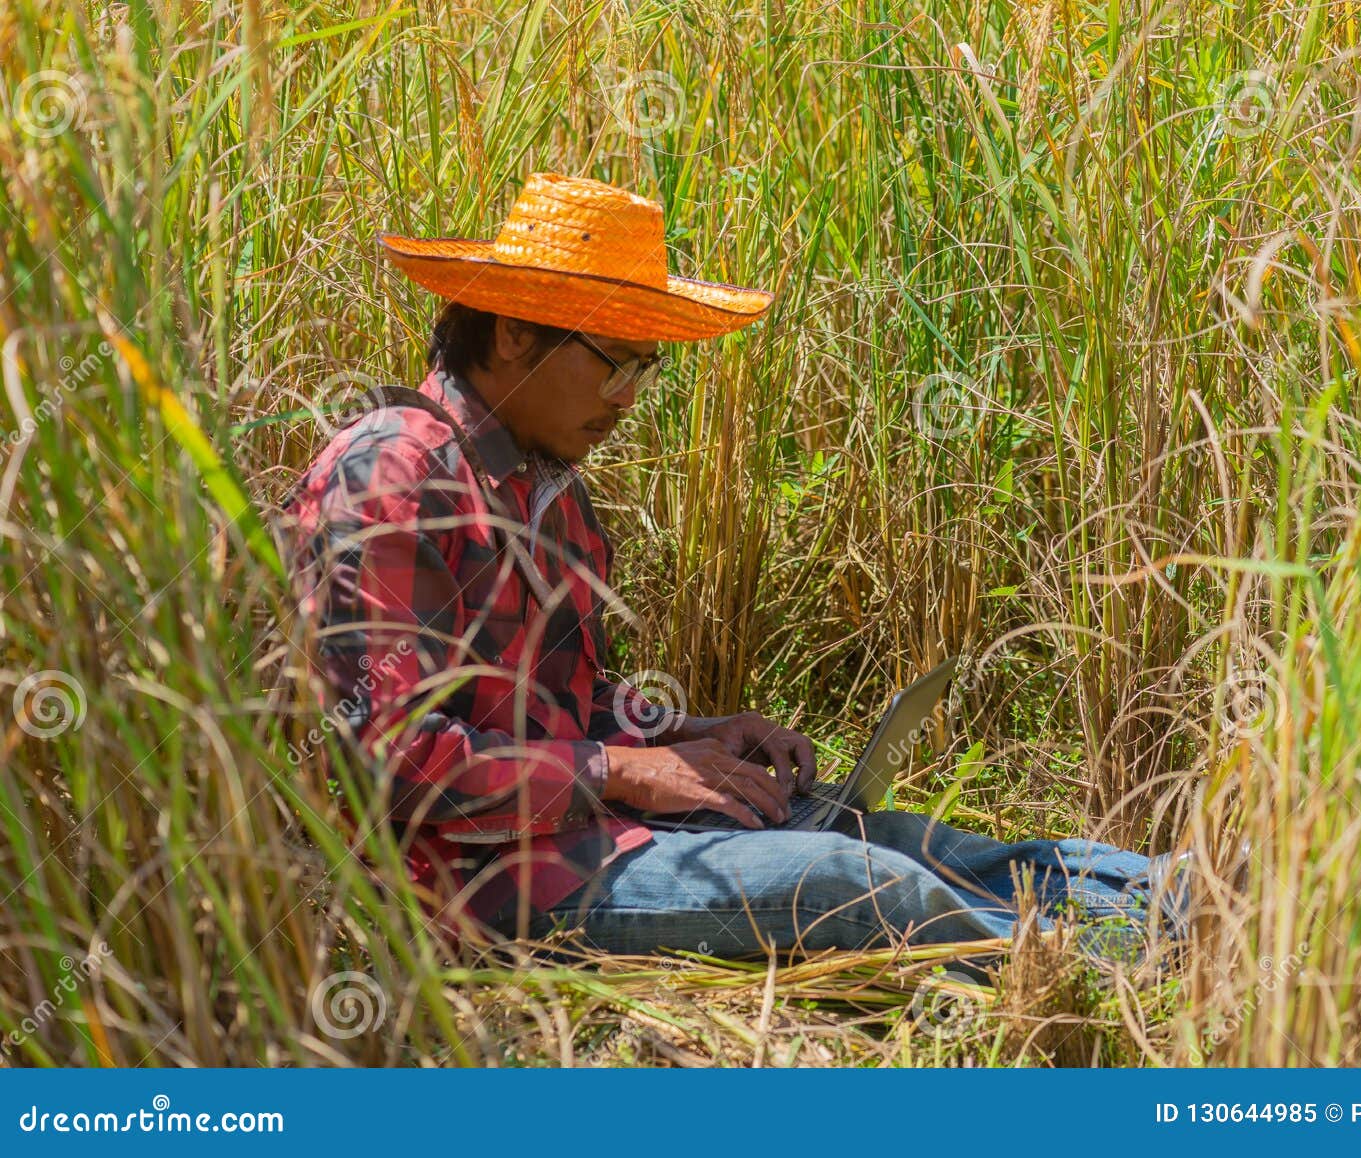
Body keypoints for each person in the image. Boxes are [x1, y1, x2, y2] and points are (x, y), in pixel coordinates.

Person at [280, 172, 1182, 961]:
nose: (629, 398)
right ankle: (1100, 967)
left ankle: (1194, 897)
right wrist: (624, 775)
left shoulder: (551, 493)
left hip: (584, 832)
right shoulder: (392, 474)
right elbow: (389, 763)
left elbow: (560, 707)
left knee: (892, 838)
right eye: (614, 364)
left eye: (647, 368)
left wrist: (691, 735)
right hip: (468, 885)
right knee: (848, 878)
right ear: (515, 333)